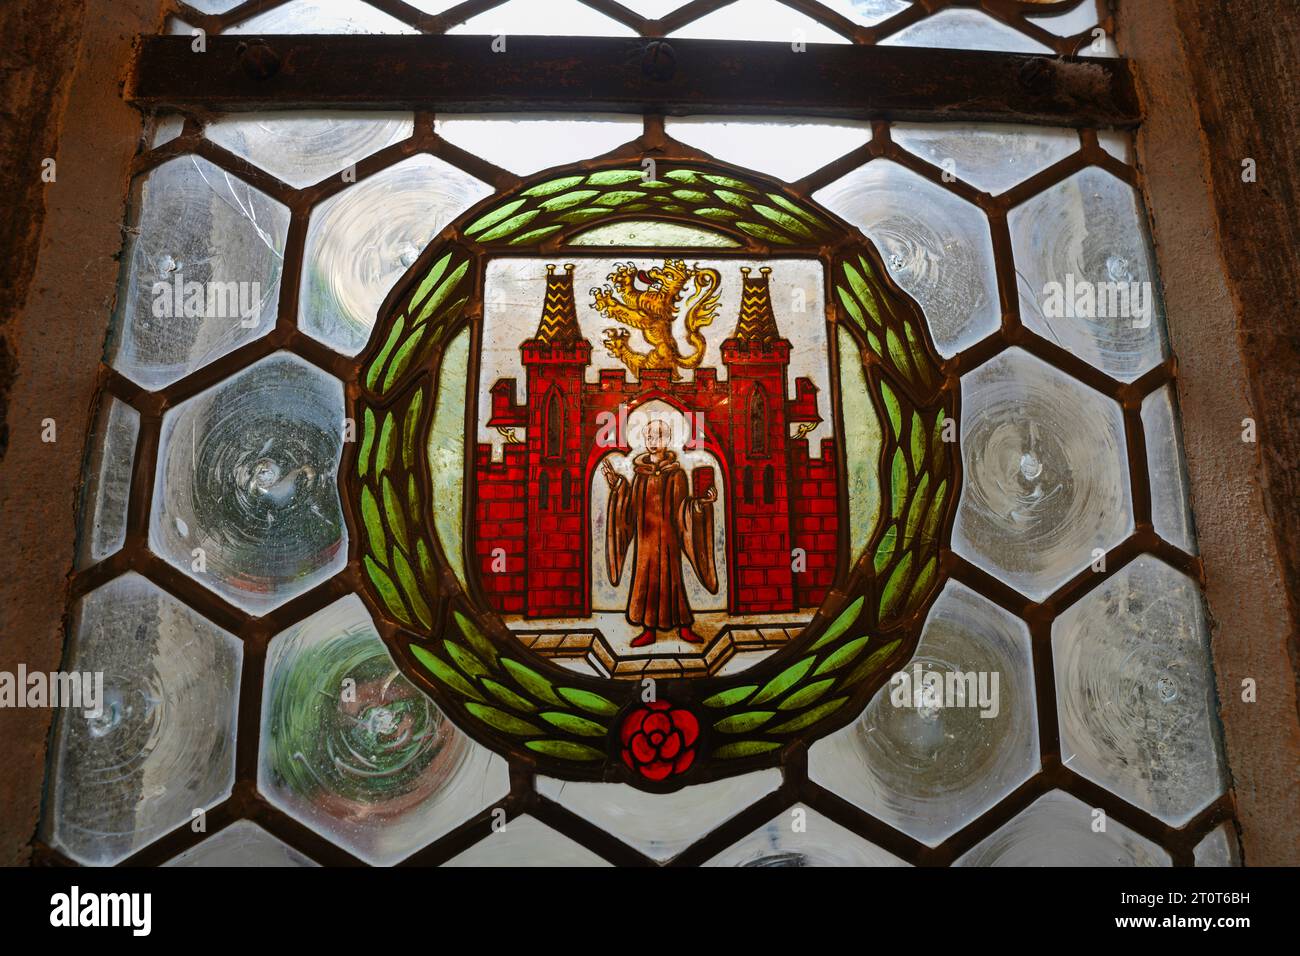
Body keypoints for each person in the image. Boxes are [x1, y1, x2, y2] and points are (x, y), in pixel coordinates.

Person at [603, 419, 718, 647]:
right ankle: (648, 630)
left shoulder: (676, 475)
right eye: (649, 438)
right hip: (645, 542)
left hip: (668, 541)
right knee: (645, 580)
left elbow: (683, 508)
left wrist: (702, 503)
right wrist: (616, 484)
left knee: (673, 582)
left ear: (667, 441)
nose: (653, 442)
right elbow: (629, 506)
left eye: (659, 437)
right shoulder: (640, 475)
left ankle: (684, 627)